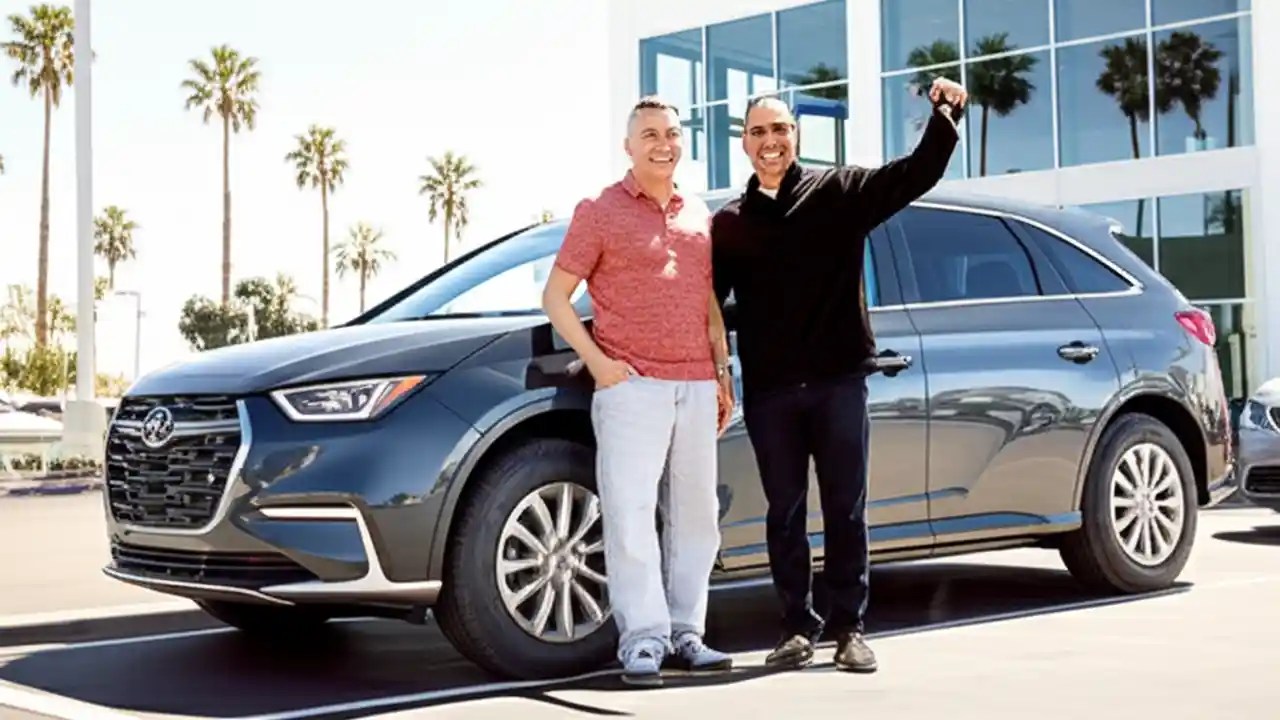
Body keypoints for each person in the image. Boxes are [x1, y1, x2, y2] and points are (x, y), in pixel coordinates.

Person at [710, 77, 967, 673]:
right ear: (744, 143)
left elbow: (915, 174)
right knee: (784, 513)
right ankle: (796, 628)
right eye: (759, 132)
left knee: (846, 509)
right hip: (772, 392)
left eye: (780, 129)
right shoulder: (730, 224)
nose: (770, 141)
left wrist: (946, 115)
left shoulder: (839, 191)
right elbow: (709, 306)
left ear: (795, 136)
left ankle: (850, 628)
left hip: (838, 383)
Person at [541, 96, 736, 687]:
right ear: (628, 146)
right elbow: (555, 297)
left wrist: (722, 373)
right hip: (632, 387)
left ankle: (687, 632)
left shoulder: (698, 213)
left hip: (696, 385)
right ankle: (644, 640)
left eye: (672, 134)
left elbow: (707, 302)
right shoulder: (599, 211)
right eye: (650, 134)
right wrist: (599, 365)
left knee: (697, 517)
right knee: (630, 517)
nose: (663, 144)